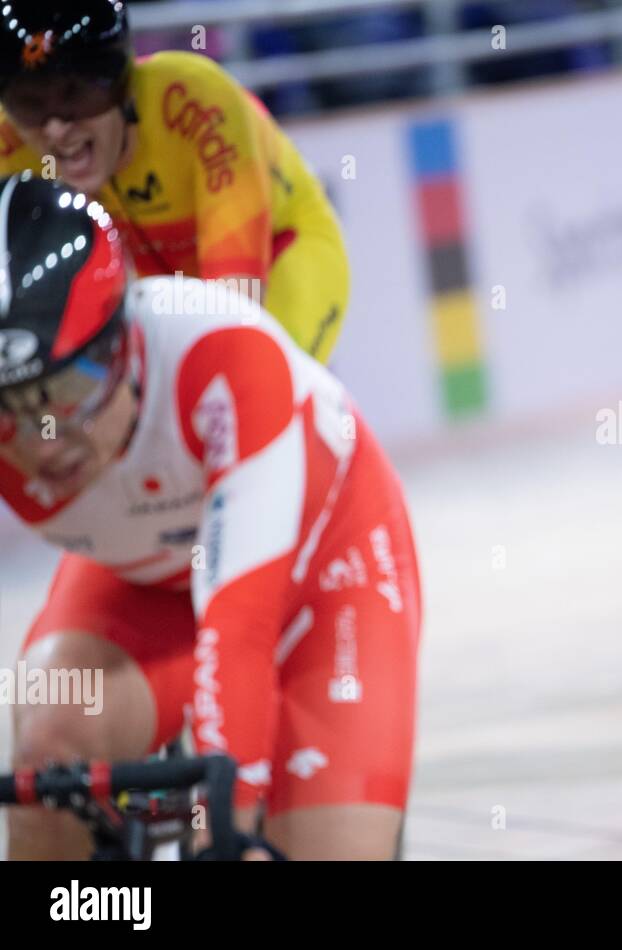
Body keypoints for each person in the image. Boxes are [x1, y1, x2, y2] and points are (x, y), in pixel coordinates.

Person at [0, 173, 421, 859]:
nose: (44, 444)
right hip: (151, 577)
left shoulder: (224, 352)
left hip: (325, 569)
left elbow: (241, 624)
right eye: (11, 408)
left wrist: (226, 830)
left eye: (67, 391)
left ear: (124, 343)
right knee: (48, 760)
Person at [0, 0, 349, 361]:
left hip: (282, 250)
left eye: (75, 95)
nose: (55, 127)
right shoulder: (8, 144)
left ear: (121, 85)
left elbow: (234, 305)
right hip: (159, 287)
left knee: (252, 369)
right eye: (29, 105)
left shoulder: (196, 103)